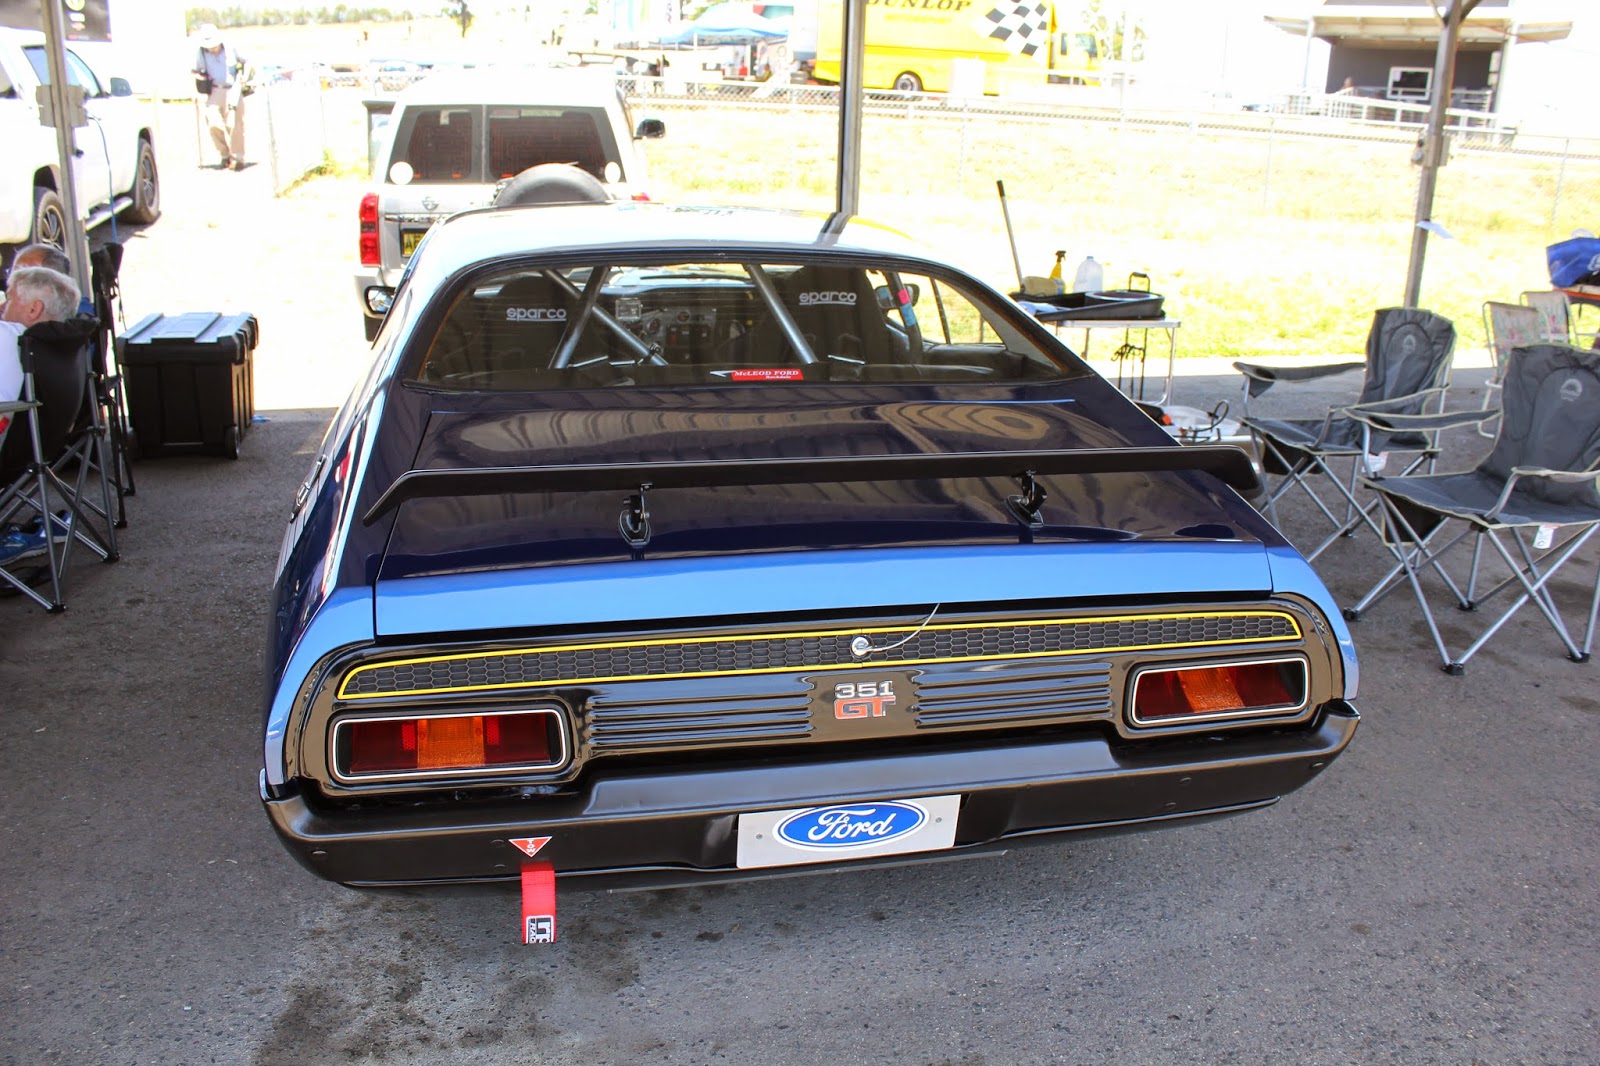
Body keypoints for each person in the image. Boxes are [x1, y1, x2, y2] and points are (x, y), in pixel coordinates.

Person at [191, 23, 252, 170]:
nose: (212, 48)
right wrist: (198, 85)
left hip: (233, 88)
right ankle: (224, 155)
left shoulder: (231, 48)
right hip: (214, 90)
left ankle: (237, 158)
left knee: (234, 125)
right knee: (213, 123)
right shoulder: (201, 53)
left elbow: (247, 62)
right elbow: (194, 70)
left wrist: (245, 77)